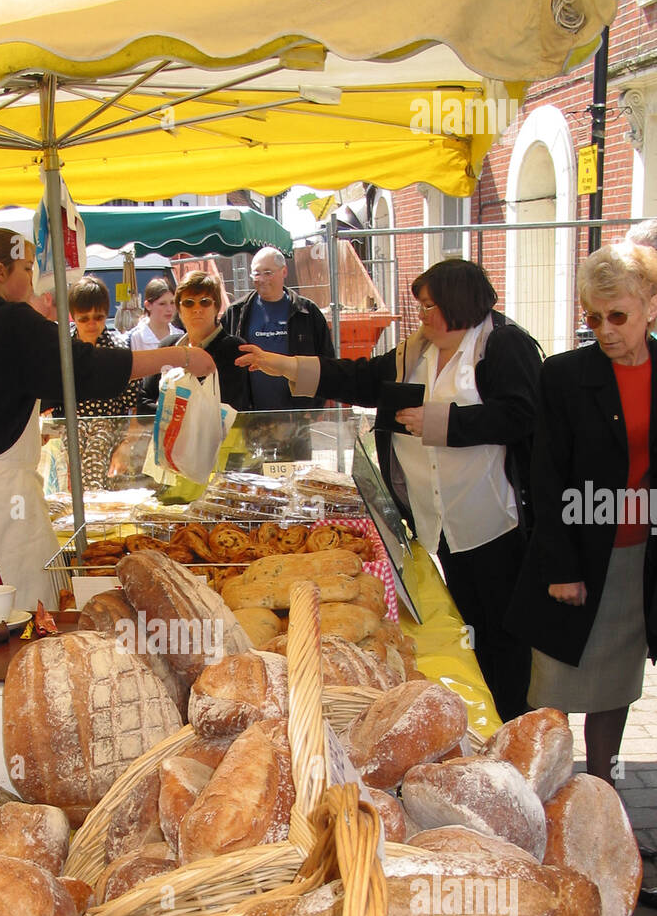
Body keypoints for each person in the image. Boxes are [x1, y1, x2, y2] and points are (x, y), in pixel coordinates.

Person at [238, 258, 542, 723]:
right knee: (471, 627)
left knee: (506, 636)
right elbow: (360, 378)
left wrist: (443, 422)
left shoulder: (503, 345)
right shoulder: (418, 349)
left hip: (491, 519)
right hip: (439, 521)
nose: (420, 316)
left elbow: (521, 415)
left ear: (458, 305)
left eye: (428, 307)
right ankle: (488, 719)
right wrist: (285, 366)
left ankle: (516, 721)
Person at [0, 234, 216, 597]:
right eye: (26, 269)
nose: (31, 280)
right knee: (16, 609)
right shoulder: (11, 319)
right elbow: (82, 368)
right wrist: (176, 357)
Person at [507, 242, 657, 784]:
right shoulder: (565, 376)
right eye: (593, 317)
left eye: (618, 316)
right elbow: (544, 476)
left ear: (651, 307)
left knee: (616, 693)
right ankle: (545, 801)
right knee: (553, 695)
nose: (605, 329)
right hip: (577, 557)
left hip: (640, 562)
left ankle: (603, 797)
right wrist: (561, 568)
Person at [55, 276, 143, 491]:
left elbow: (133, 402)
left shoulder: (118, 349)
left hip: (110, 430)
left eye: (99, 317)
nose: (92, 324)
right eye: (84, 318)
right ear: (73, 316)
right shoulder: (64, 348)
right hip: (70, 430)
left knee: (99, 436)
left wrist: (127, 443)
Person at [224, 246, 335, 410]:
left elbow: (326, 363)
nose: (262, 279)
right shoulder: (236, 312)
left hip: (297, 417)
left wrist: (313, 407)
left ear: (284, 272)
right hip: (250, 417)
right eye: (256, 273)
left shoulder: (307, 312)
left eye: (268, 272)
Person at [139, 270, 251, 413]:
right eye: (188, 303)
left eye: (205, 302)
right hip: (169, 435)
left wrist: (165, 410)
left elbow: (225, 406)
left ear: (216, 307)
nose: (197, 309)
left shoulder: (235, 349)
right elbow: (142, 404)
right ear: (179, 309)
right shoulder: (167, 345)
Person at [127, 278, 182, 351]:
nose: (169, 309)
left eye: (172, 303)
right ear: (148, 305)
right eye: (162, 304)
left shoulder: (179, 334)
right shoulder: (137, 337)